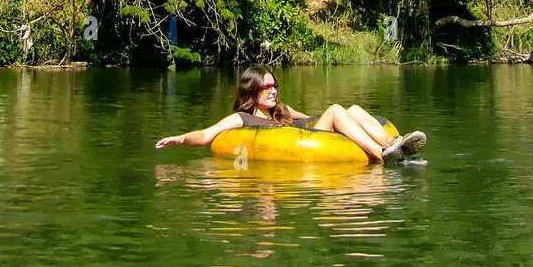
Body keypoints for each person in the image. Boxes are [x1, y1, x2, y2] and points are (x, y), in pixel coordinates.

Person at [155, 66, 426, 163]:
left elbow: (309, 117)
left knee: (352, 109)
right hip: (310, 145)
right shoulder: (243, 118)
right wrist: (180, 138)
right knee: (334, 110)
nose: (273, 91)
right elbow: (206, 135)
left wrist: (346, 121)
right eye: (267, 87)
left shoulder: (282, 111)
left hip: (317, 135)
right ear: (252, 91)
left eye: (275, 85)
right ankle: (382, 155)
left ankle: (396, 144)